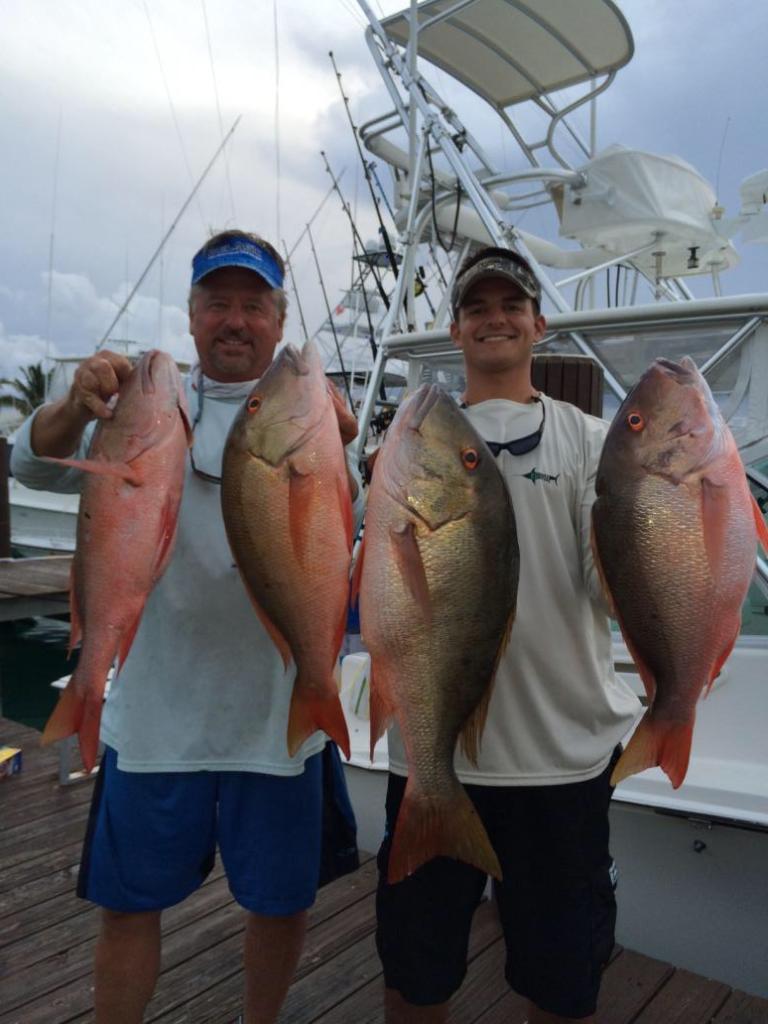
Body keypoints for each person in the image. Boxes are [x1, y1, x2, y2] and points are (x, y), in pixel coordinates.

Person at [11, 230, 363, 1024]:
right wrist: (73, 402)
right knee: (128, 906)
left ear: (279, 319)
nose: (234, 320)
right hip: (157, 722)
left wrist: (344, 453)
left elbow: (347, 534)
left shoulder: (316, 413)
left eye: (253, 304)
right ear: (193, 313)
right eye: (217, 302)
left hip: (277, 724)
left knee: (278, 905)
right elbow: (30, 468)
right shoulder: (149, 399)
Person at [375, 246, 641, 1024]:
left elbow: (610, 589)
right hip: (431, 758)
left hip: (561, 762)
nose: (496, 318)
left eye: (511, 305)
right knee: (414, 978)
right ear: (455, 329)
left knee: (562, 986)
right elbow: (377, 585)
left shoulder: (593, 442)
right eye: (478, 308)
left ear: (539, 325)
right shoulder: (405, 444)